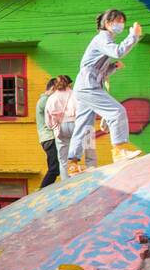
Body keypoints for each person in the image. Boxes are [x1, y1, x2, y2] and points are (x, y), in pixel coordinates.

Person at [66, 10, 143, 176]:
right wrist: (133, 36)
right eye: (119, 20)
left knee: (84, 126)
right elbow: (118, 52)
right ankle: (118, 150)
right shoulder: (103, 38)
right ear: (108, 23)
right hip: (88, 86)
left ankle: (72, 163)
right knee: (117, 111)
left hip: (85, 86)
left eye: (123, 21)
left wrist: (113, 67)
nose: (121, 24)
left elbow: (99, 69)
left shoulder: (104, 40)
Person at [36, 78, 60, 187]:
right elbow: (57, 114)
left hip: (49, 138)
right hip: (49, 138)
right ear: (53, 88)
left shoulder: (45, 100)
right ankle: (41, 193)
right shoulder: (46, 101)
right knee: (54, 169)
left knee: (57, 168)